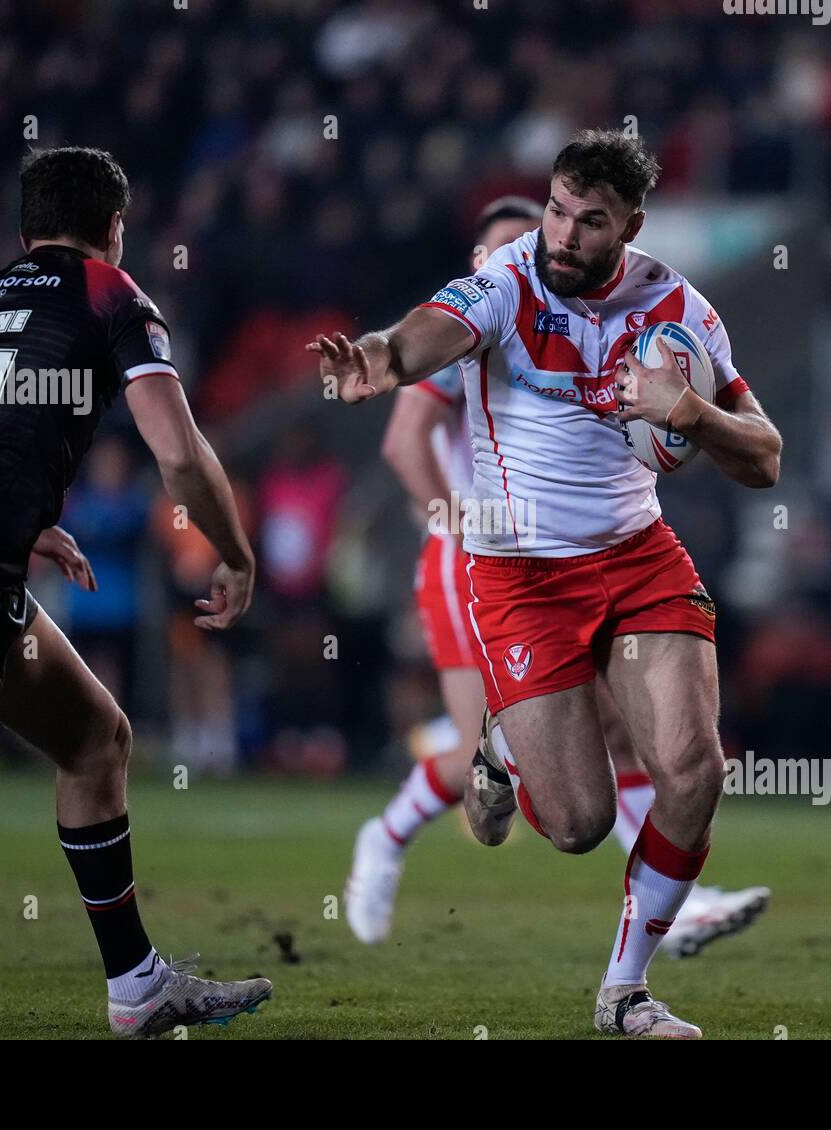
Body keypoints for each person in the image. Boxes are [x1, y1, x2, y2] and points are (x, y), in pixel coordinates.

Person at [314, 130, 782, 1038]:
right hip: (522, 575)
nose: (561, 236)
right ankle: (496, 749)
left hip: (639, 559)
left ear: (631, 226)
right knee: (573, 823)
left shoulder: (680, 311)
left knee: (693, 771)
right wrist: (374, 357)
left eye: (588, 222)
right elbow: (419, 337)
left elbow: (765, 456)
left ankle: (626, 993)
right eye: (557, 210)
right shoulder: (507, 280)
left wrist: (686, 411)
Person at [0, 145, 270, 1038]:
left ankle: (136, 985)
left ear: (27, 226)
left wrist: (16, 521)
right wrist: (233, 551)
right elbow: (180, 454)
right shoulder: (111, 294)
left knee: (97, 737)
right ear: (115, 225)